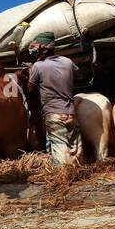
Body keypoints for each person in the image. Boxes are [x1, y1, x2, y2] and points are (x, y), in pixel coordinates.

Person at [26, 32, 81, 164]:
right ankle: (77, 176)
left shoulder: (38, 66)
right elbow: (79, 75)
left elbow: (30, 89)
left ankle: (63, 179)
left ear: (41, 49)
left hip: (54, 115)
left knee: (60, 153)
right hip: (71, 113)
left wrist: (31, 72)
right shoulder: (68, 62)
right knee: (75, 151)